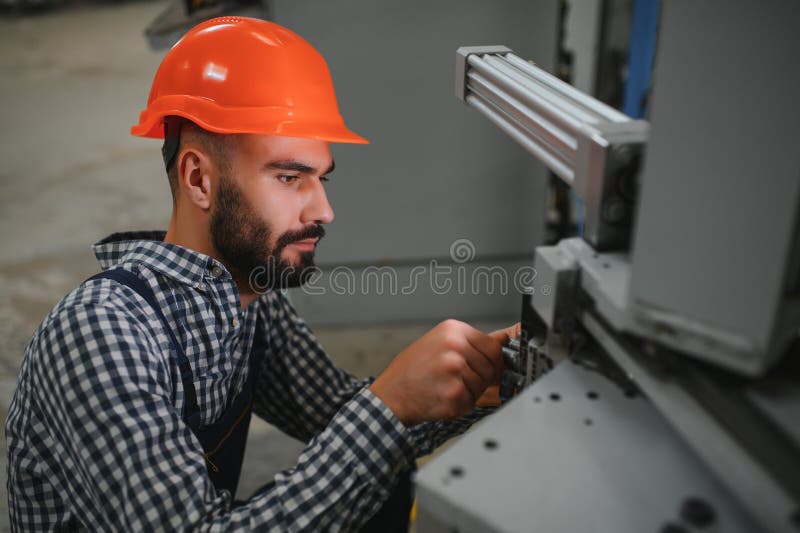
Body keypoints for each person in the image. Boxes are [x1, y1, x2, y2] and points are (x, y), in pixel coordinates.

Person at [5, 17, 515, 531]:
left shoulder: (248, 298)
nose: (324, 210)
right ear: (199, 179)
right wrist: (389, 403)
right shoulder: (101, 336)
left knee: (376, 481)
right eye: (290, 177)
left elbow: (338, 415)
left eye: (321, 179)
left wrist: (486, 379)